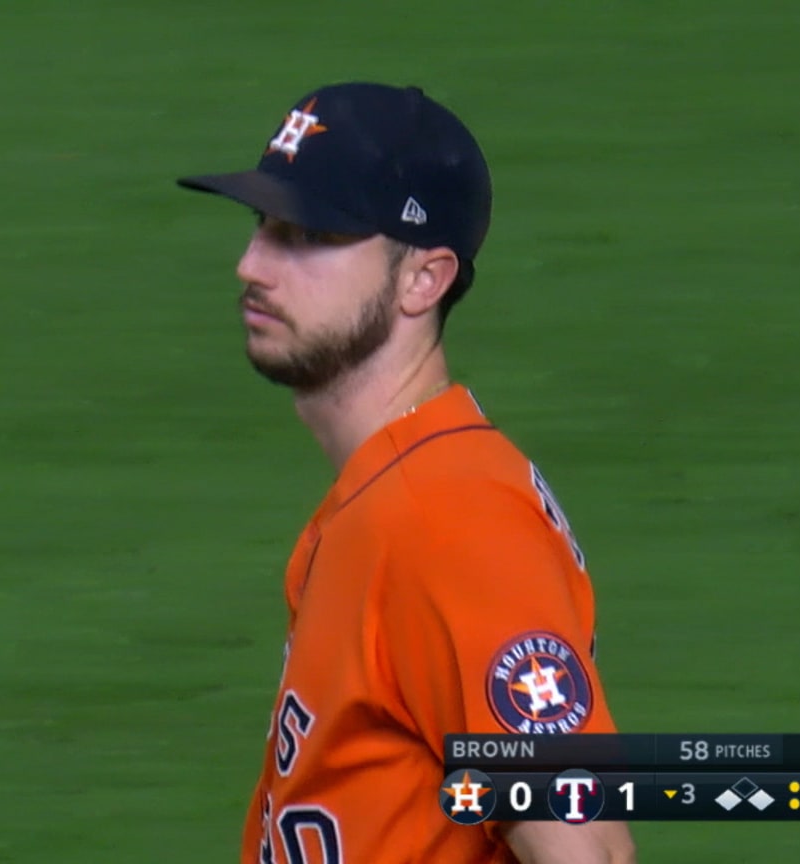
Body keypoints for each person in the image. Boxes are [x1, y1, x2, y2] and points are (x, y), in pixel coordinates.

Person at [176, 82, 637, 863]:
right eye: (262, 226)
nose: (251, 264)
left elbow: (588, 850)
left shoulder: (448, 516)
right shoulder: (392, 496)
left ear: (423, 279)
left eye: (308, 234)